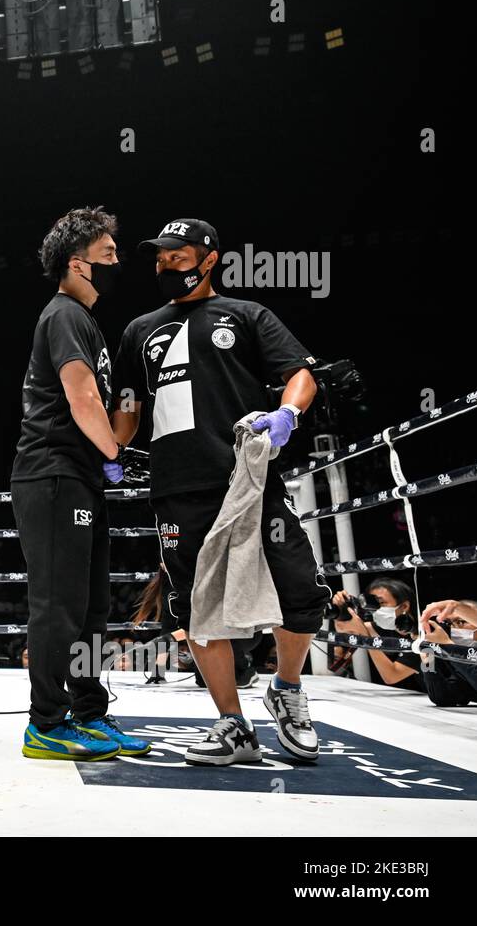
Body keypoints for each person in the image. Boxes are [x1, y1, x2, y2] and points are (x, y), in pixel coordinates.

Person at [111, 218, 325, 765]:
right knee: (195, 608)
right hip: (177, 485)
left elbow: (301, 372)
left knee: (298, 588)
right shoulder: (139, 329)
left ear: (209, 260)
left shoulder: (248, 315)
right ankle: (233, 724)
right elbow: (130, 406)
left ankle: (287, 687)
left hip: (247, 479)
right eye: (159, 258)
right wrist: (107, 452)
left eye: (176, 257)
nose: (165, 266)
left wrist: (287, 414)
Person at [11, 207, 150, 762]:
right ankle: (45, 723)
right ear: (78, 263)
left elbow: (110, 406)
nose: (118, 263)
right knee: (57, 606)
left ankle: (89, 713)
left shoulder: (88, 323)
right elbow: (82, 398)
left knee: (91, 607)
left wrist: (118, 447)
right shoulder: (64, 313)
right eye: (109, 255)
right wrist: (118, 451)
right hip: (52, 476)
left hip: (82, 478)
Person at [331, 578, 423, 691]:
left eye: (381, 603)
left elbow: (391, 675)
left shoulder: (424, 632)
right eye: (372, 604)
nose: (375, 610)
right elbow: (343, 629)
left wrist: (366, 637)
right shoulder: (380, 626)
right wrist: (341, 610)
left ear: (404, 606)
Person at [420, 599, 477, 706]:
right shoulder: (456, 655)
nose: (454, 628)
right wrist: (429, 662)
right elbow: (442, 698)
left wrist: (450, 648)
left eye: (461, 622)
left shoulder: (453, 651)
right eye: (449, 623)